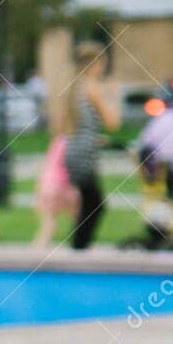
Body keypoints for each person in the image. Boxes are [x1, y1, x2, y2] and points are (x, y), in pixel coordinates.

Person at [64, 41, 120, 249]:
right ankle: (79, 250)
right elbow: (113, 123)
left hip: (73, 151)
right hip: (85, 155)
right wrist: (114, 95)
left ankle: (79, 247)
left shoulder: (75, 86)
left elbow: (75, 125)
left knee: (89, 205)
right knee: (96, 206)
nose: (103, 68)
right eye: (102, 62)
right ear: (95, 63)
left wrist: (96, 138)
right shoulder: (92, 87)